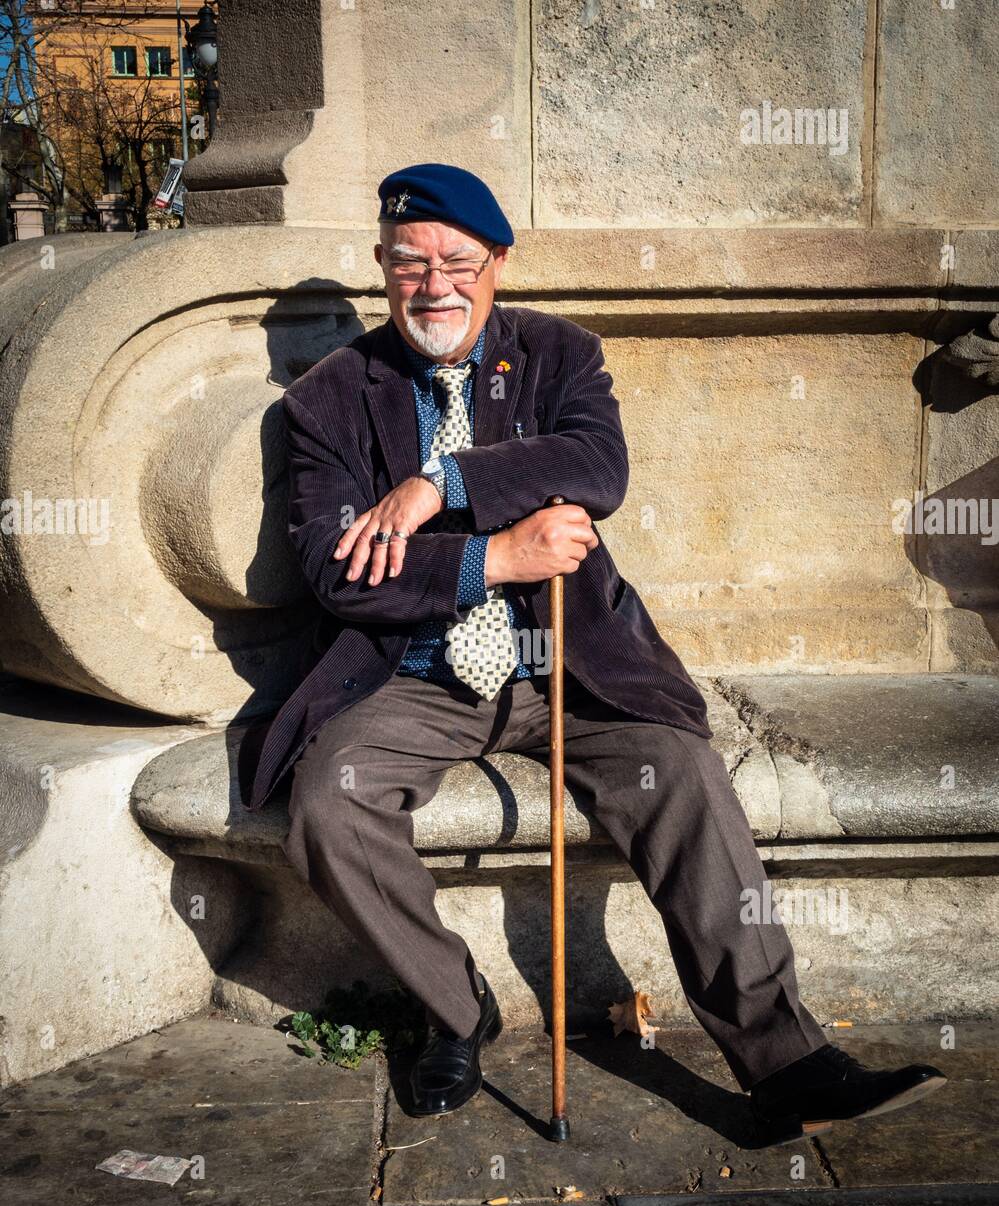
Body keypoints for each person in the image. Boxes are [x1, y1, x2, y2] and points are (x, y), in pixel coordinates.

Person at [239, 162, 946, 1144]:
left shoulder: (555, 354)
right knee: (328, 802)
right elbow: (338, 570)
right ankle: (455, 1007)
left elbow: (594, 466)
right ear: (381, 267)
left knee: (689, 776)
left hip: (571, 663)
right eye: (410, 264)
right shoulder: (331, 399)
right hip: (416, 674)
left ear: (497, 262)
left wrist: (440, 485)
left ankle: (785, 1063)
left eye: (458, 261)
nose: (435, 285)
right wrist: (497, 552)